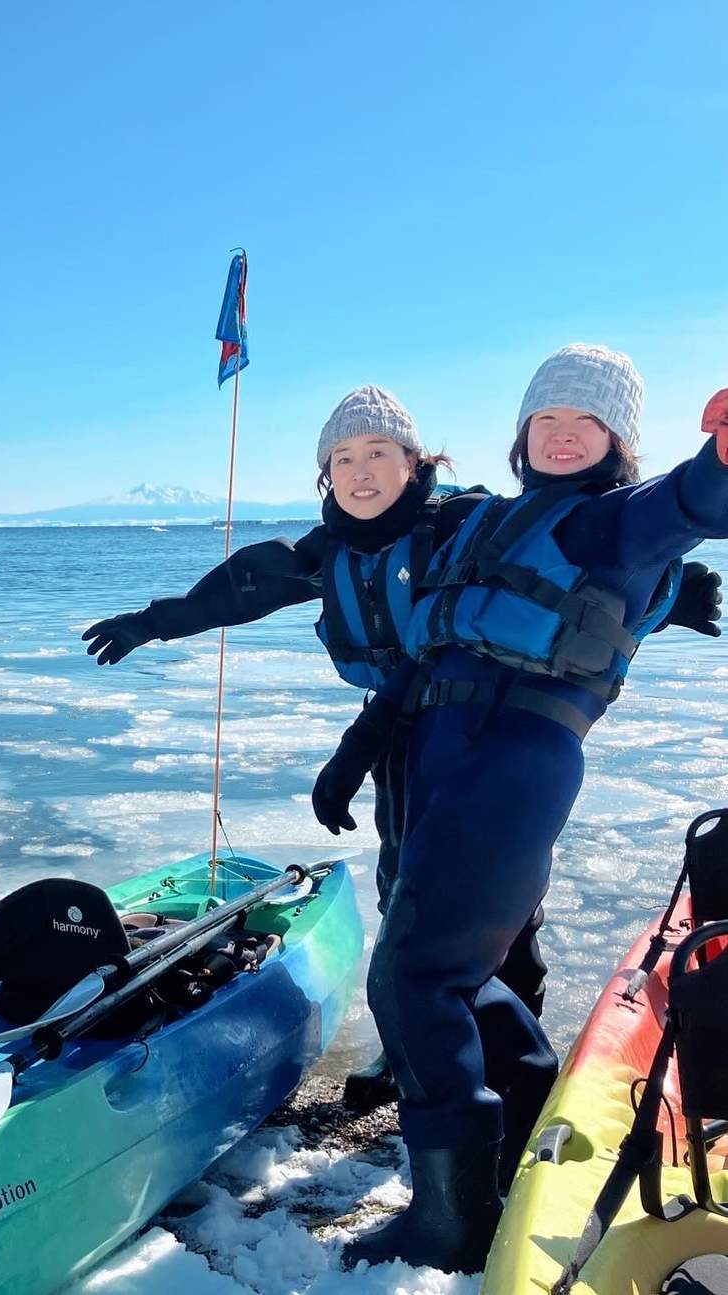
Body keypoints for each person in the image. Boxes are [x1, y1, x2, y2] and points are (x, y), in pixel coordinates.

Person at [82, 385, 719, 1107]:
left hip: (489, 727)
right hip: (399, 728)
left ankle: (502, 1068)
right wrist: (152, 621)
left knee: (493, 914)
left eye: (379, 453)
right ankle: (415, 1047)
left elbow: (563, 570)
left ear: (415, 461)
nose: (361, 472)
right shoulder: (329, 548)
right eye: (343, 458)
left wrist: (671, 596)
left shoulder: (463, 522)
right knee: (407, 893)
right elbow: (243, 587)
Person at [313, 347, 728, 1274]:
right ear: (520, 434)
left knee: (413, 977)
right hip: (435, 752)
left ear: (617, 443)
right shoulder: (482, 529)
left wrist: (723, 454)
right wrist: (353, 754)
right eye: (546, 420)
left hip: (516, 757)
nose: (563, 432)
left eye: (587, 422)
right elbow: (421, 657)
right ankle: (533, 1104)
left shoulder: (613, 521)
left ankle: (453, 1214)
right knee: (460, 964)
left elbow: (698, 501)